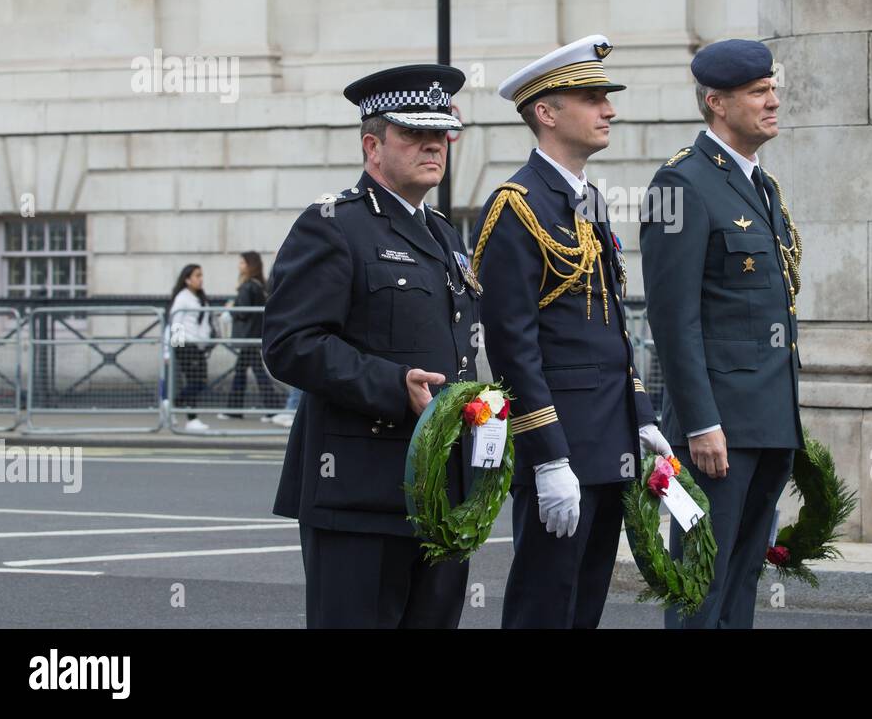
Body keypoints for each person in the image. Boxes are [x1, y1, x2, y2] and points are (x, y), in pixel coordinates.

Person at [263, 64, 480, 629]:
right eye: (414, 133)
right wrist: (391, 385)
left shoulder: (445, 235)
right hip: (359, 489)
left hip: (439, 489)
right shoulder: (334, 225)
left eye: (442, 133)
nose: (434, 144)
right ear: (372, 146)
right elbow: (290, 344)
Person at [472, 34, 668, 629]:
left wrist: (642, 413)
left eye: (605, 97)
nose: (608, 109)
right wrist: (547, 457)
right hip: (561, 442)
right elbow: (513, 345)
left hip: (608, 434)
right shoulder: (517, 203)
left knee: (583, 605)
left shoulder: (589, 200)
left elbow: (609, 325)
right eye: (592, 97)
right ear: (547, 112)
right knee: (544, 604)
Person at [639, 39, 805, 629]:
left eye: (772, 88)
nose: (773, 101)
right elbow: (672, 319)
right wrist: (702, 423)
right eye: (758, 92)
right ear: (717, 102)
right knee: (701, 588)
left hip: (767, 420)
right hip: (718, 432)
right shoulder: (679, 185)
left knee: (740, 583)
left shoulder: (762, 186)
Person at [220, 251, 278, 420]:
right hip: (253, 335)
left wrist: (231, 309)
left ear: (250, 265)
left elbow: (243, 313)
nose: (239, 266)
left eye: (242, 263)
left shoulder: (247, 286)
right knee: (241, 372)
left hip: (247, 337)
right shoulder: (259, 284)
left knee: (255, 374)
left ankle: (271, 409)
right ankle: (235, 409)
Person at [168, 263, 214, 433]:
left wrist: (206, 343)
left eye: (201, 275)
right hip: (186, 344)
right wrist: (177, 348)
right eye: (197, 275)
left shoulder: (200, 297)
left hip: (198, 345)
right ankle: (190, 417)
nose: (200, 279)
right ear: (187, 279)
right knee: (195, 381)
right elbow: (176, 320)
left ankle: (173, 405)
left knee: (200, 382)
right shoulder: (183, 297)